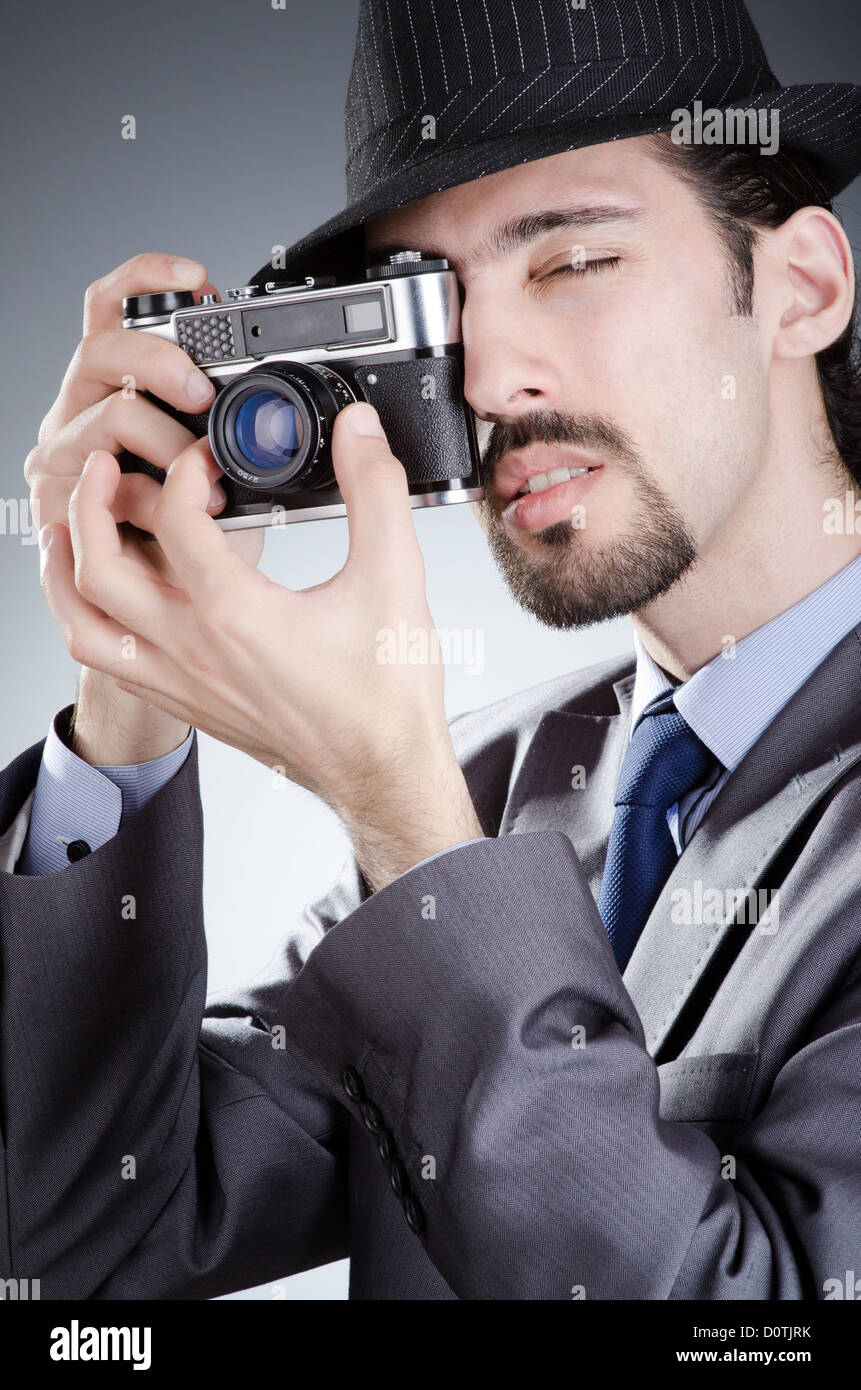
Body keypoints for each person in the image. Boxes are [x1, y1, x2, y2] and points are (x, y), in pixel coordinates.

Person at [2, 0, 860, 1299]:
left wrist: (402, 818)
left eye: (572, 261)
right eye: (433, 305)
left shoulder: (421, 809)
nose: (487, 378)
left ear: (801, 287)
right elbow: (80, 1248)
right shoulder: (481, 785)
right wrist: (127, 681)